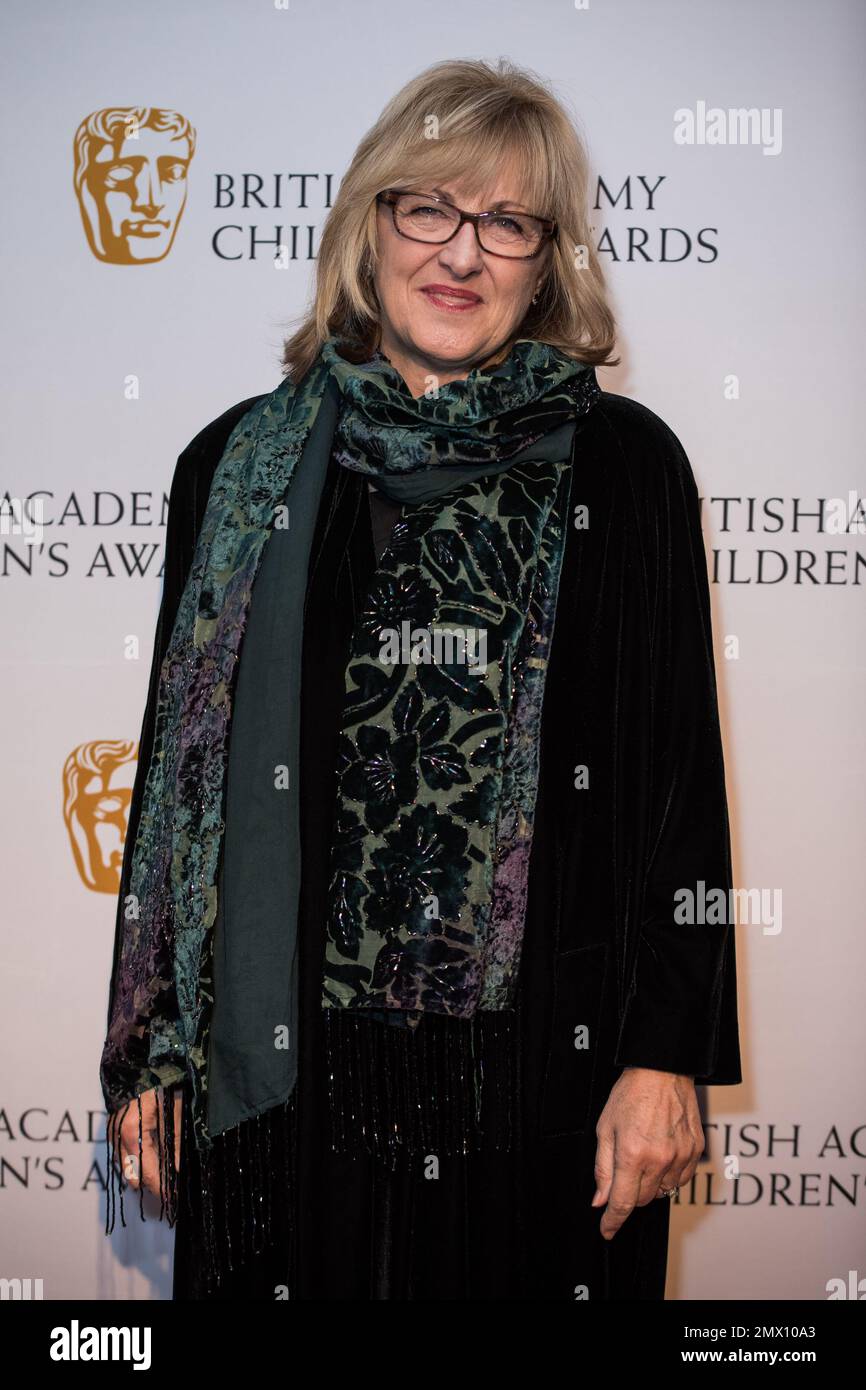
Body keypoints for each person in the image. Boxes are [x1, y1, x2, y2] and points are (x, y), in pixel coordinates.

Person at [100, 57, 741, 1302]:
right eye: (428, 207)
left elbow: (680, 787)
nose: (462, 251)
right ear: (369, 223)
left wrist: (666, 1056)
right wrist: (157, 1053)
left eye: (506, 221)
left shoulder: (624, 466)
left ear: (545, 257)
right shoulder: (233, 469)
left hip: (546, 1082)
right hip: (276, 1082)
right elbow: (172, 785)